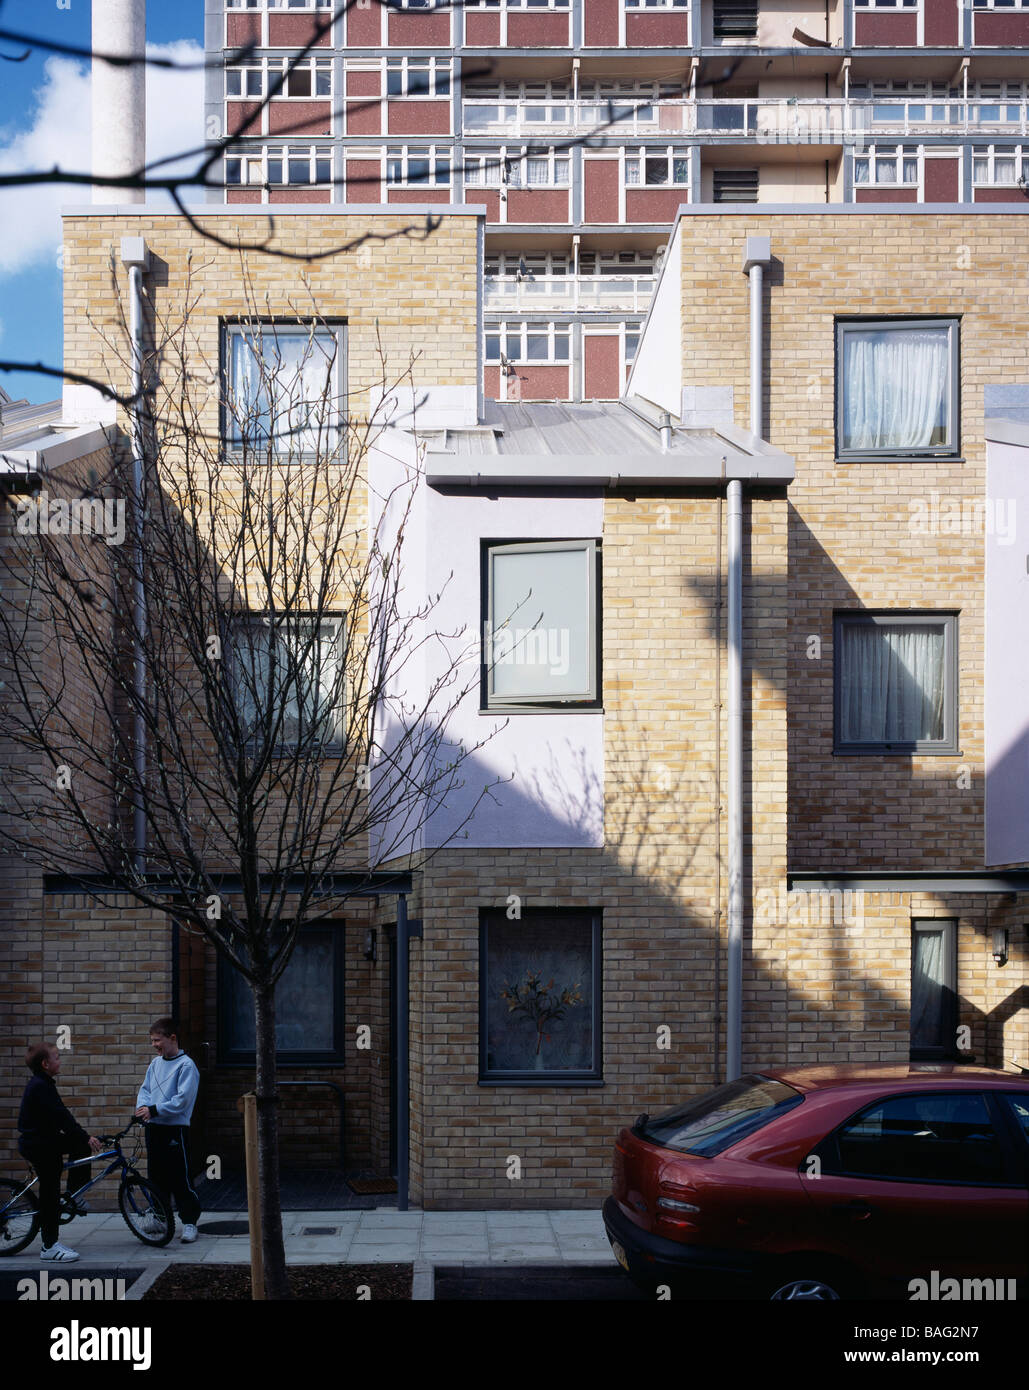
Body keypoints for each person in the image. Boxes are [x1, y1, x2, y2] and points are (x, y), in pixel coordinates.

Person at [17, 1043, 103, 1263]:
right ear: (45, 1064)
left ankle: (75, 1195)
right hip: (39, 1145)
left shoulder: (43, 1083)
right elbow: (61, 1116)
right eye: (56, 1057)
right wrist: (85, 1136)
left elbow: (61, 1117)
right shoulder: (40, 1086)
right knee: (50, 1194)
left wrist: (83, 1138)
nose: (59, 1060)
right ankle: (49, 1247)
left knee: (81, 1146)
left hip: (46, 1140)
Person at [134, 1018, 201, 1242]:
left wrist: (154, 1109)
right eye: (152, 1041)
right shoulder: (155, 1064)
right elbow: (145, 1090)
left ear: (172, 1038)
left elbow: (181, 1101)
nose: (154, 1045)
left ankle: (190, 1223)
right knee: (156, 1178)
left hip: (175, 1130)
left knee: (180, 1177)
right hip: (154, 1129)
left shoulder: (186, 1066)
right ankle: (160, 1218)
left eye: (157, 1040)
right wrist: (142, 1108)